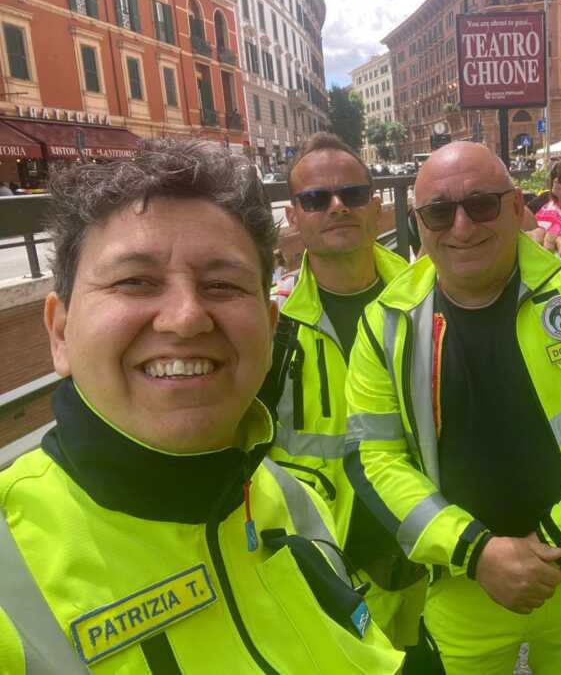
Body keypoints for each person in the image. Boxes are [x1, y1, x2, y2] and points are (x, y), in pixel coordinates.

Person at [0, 140, 403, 674]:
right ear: (60, 332)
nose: (187, 317)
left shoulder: (291, 500)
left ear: (269, 326)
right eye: (135, 282)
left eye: (221, 284)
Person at [344, 141, 561, 675]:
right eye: (439, 212)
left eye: (483, 204)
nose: (463, 226)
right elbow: (374, 457)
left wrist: (555, 544)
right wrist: (477, 552)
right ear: (417, 223)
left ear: (518, 207)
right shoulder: (386, 323)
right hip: (464, 583)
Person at [260, 132, 425, 650]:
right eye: (316, 199)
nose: (337, 207)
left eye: (352, 195)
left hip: (430, 548)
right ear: (294, 216)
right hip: (328, 564)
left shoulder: (430, 296)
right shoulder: (272, 321)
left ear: (375, 207)